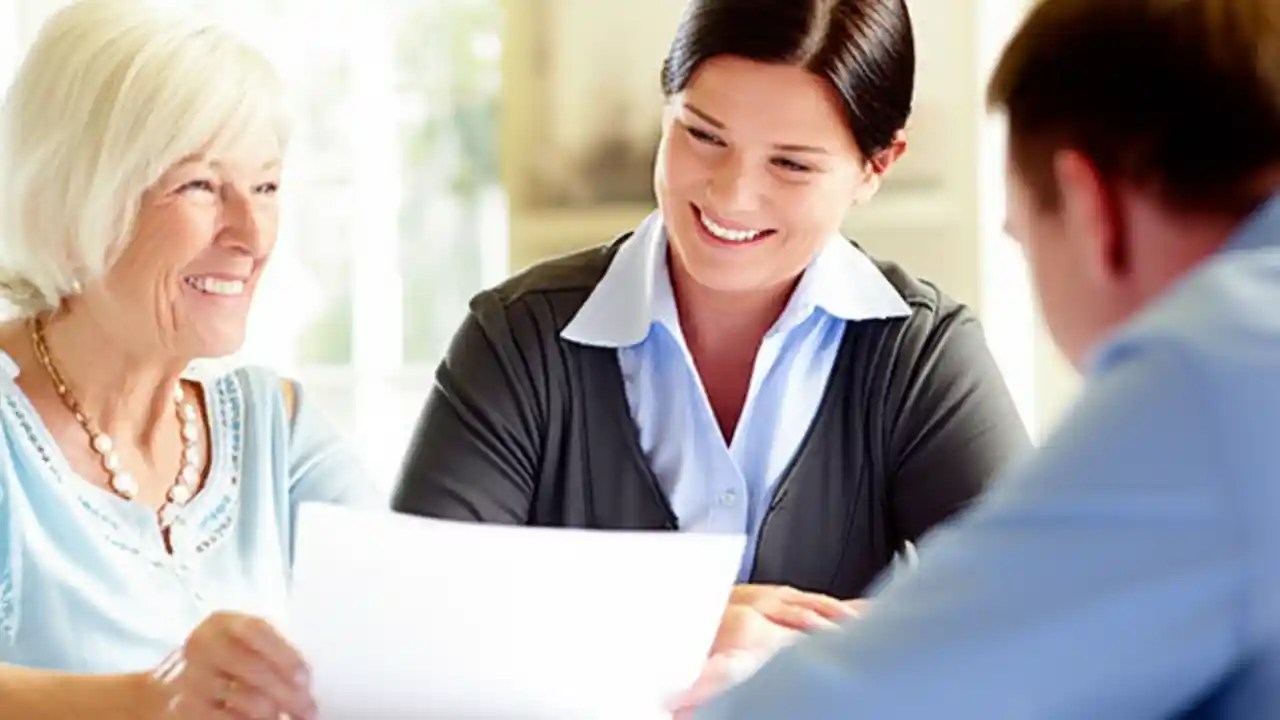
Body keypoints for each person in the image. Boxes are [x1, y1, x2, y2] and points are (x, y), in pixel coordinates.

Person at [675, 0, 1280, 717]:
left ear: (1091, 211)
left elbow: (950, 664)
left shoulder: (1212, 373)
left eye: (1023, 237)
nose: (735, 193)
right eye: (702, 134)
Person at [393, 0, 1028, 659]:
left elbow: (1034, 611)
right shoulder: (516, 341)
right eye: (703, 135)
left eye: (791, 164)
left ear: (877, 165)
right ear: (666, 104)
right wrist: (679, 625)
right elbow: (415, 621)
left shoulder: (921, 357)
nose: (730, 195)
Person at [0, 1, 373, 718]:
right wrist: (145, 700)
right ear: (75, 197)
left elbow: (416, 631)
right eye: (200, 185)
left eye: (265, 186)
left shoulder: (276, 430)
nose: (251, 235)